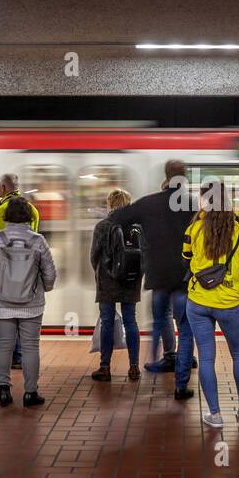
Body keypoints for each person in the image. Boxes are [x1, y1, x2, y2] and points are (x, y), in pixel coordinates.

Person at [108, 160, 197, 398]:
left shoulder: (149, 203)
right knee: (186, 328)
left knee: (160, 320)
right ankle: (181, 384)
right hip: (184, 276)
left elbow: (117, 218)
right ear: (184, 177)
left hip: (159, 276)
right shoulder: (194, 205)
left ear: (166, 176)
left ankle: (160, 360)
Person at [183, 179, 239, 427]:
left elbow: (186, 259)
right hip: (230, 302)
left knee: (205, 357)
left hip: (197, 301)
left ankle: (214, 414)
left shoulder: (193, 229)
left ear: (204, 200)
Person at [0, 196, 56, 408]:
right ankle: (30, 393)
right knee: (31, 347)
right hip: (32, 304)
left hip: (3, 304)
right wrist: (43, 288)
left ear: (6, 216)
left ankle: (4, 391)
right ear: (29, 216)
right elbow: (50, 274)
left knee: (4, 345)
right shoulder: (38, 240)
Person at [90, 189, 141, 382]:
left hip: (107, 280)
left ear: (110, 204)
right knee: (131, 321)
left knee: (107, 323)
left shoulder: (102, 226)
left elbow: (94, 256)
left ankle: (105, 367)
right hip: (131, 281)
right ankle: (134, 367)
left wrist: (103, 271)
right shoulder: (136, 226)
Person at [0, 173, 39, 370]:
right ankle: (20, 355)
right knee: (23, 316)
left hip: (6, 273)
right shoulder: (33, 210)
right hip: (28, 272)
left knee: (7, 316)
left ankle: (12, 355)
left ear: (3, 187)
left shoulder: (1, 210)